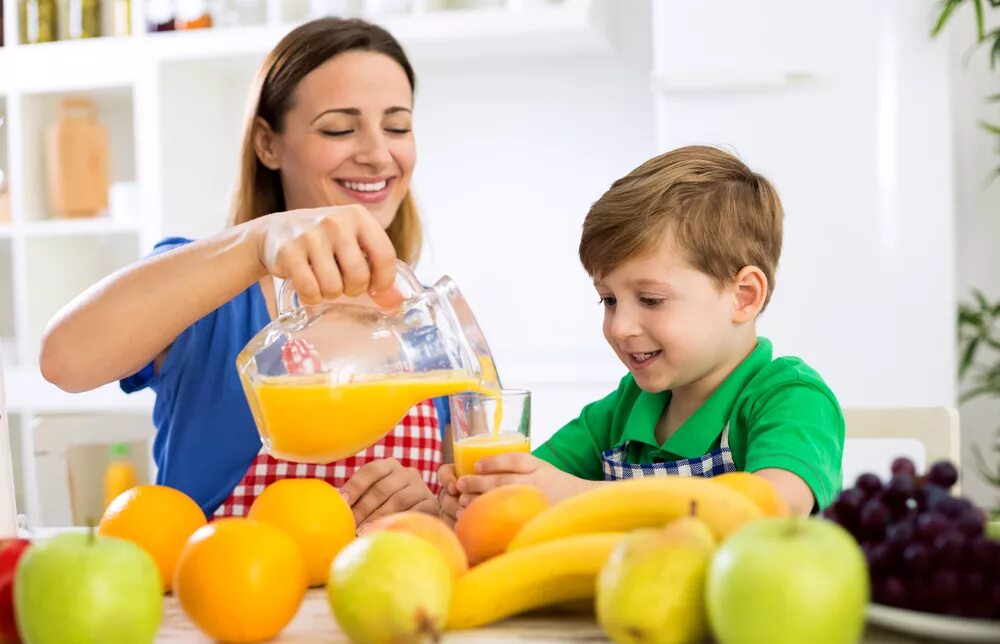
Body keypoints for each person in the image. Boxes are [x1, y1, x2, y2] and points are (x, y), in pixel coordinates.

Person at [40, 18, 448, 530]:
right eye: (339, 128)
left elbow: (462, 507)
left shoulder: (427, 322)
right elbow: (64, 360)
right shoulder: (212, 295)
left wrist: (432, 508)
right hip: (218, 606)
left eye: (397, 126)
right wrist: (255, 243)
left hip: (376, 607)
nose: (376, 154)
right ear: (267, 144)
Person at [439, 145, 844, 520]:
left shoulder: (788, 399)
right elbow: (536, 483)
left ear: (742, 297)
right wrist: (483, 492)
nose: (620, 327)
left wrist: (578, 496)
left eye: (650, 300)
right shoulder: (625, 408)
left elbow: (765, 509)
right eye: (608, 300)